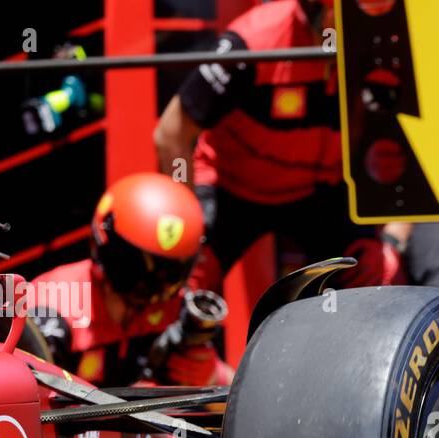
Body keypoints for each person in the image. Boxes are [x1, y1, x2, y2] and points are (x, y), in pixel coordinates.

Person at [152, 0, 397, 293]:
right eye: (353, 12)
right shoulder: (254, 40)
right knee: (183, 280)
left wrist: (387, 232)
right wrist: (185, 222)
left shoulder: (384, 40)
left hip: (318, 191)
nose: (366, 24)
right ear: (315, 8)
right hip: (231, 188)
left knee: (377, 270)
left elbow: (400, 139)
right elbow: (171, 132)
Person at [29, 172, 232, 389]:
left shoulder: (179, 309)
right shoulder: (50, 304)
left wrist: (213, 377)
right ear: (107, 246)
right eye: (135, 266)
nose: (153, 290)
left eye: (170, 272)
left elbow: (235, 389)